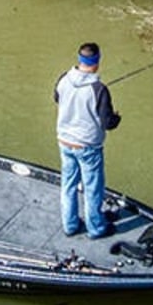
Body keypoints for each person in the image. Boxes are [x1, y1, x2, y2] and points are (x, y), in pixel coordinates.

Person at [54, 41, 121, 238]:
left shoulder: (63, 79)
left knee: (68, 185)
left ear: (80, 59)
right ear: (97, 61)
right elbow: (108, 122)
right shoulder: (99, 89)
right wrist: (117, 117)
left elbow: (57, 98)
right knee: (92, 188)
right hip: (88, 146)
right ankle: (96, 228)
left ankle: (70, 225)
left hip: (64, 142)